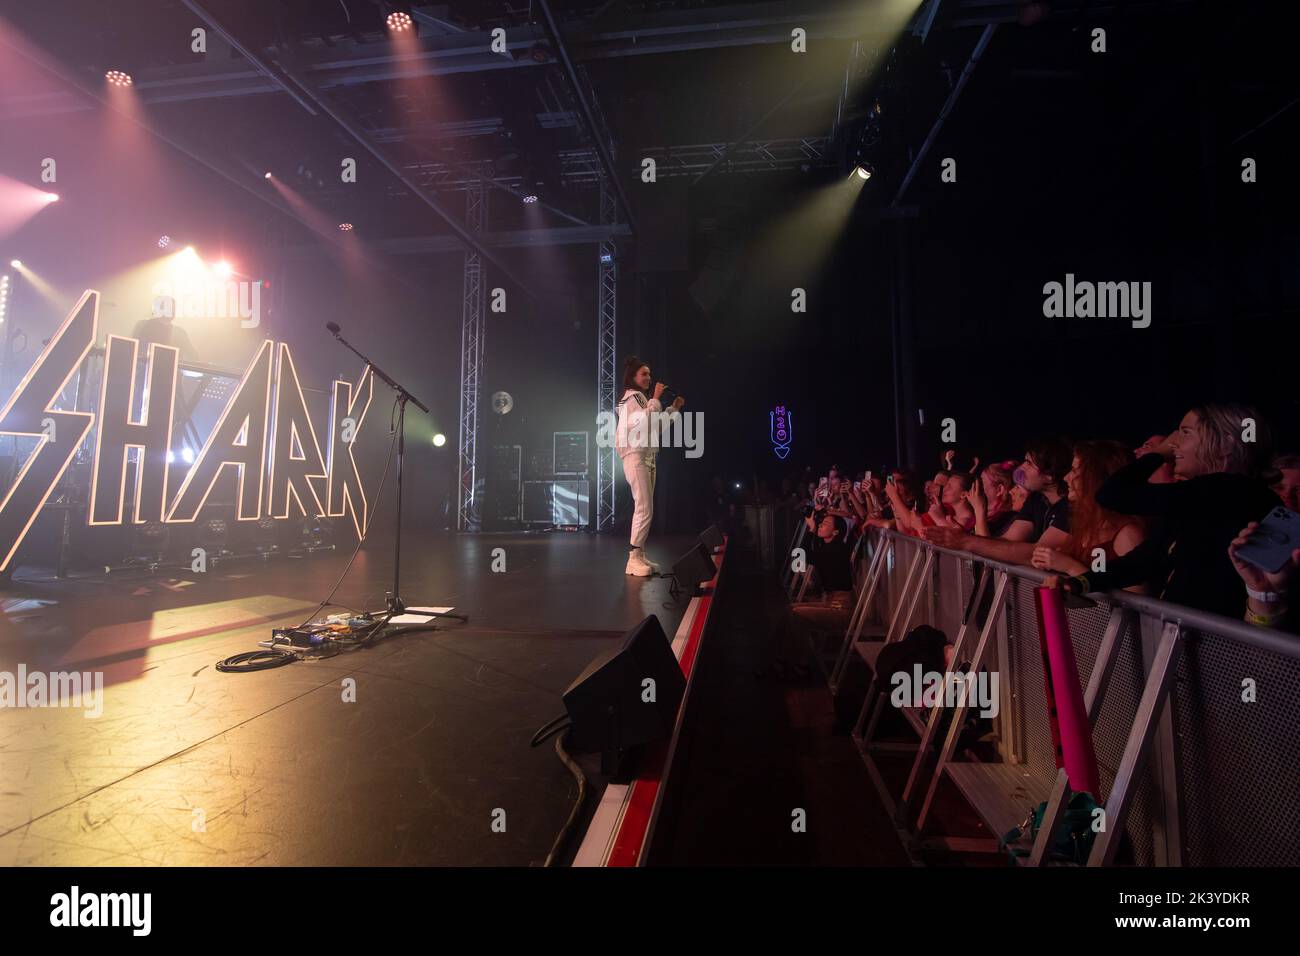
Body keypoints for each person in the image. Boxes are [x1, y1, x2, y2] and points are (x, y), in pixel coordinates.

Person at [1044, 404, 1281, 619]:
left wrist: (1159, 451)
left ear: (1225, 446)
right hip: (1200, 646)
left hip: (1223, 652)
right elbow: (1145, 560)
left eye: (1185, 433)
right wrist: (1080, 583)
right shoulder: (1204, 502)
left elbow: (1113, 493)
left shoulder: (1232, 491)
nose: (1175, 442)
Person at [923, 437, 1074, 564]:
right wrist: (963, 537)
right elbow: (1006, 542)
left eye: (1029, 463)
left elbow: (1037, 554)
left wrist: (964, 541)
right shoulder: (1037, 500)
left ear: (1050, 475)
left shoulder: (1071, 508)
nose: (1022, 467)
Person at [1030, 440, 1147, 589]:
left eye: (1074, 470)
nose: (1066, 478)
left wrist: (1069, 566)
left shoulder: (1128, 534)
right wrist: (1050, 563)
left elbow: (1137, 603)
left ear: (1097, 478)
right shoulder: (1083, 524)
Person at [616, 355, 685, 576]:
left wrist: (673, 408)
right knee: (644, 507)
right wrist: (655, 398)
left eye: (649, 373)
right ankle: (633, 559)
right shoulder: (631, 397)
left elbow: (655, 427)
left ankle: (640, 554)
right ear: (633, 377)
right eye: (644, 373)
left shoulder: (642, 400)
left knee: (646, 508)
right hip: (636, 456)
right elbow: (640, 423)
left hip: (647, 456)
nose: (649, 377)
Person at [131, 295, 196, 359]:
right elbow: (132, 349)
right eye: (169, 307)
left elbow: (193, 357)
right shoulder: (143, 325)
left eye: (173, 308)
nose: (173, 311)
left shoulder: (180, 333)